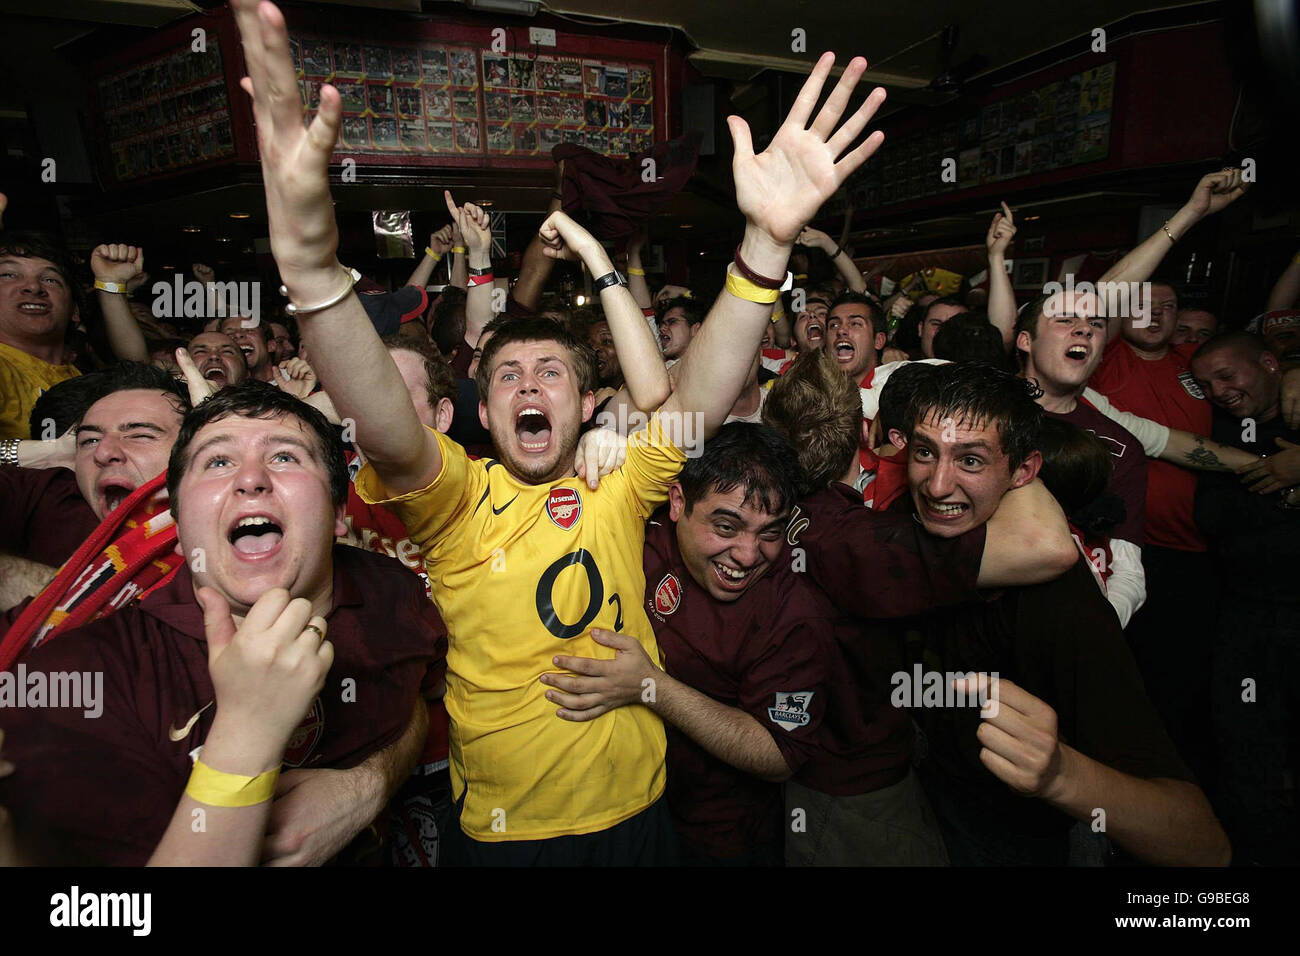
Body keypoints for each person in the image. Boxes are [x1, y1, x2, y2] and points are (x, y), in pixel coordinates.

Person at [230, 0, 887, 863]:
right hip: (508, 837)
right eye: (508, 375)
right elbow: (389, 430)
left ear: (587, 405)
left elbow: (701, 400)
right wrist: (314, 272)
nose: (530, 384)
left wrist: (765, 246)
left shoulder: (620, 486)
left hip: (643, 818)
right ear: (483, 407)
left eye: (553, 375)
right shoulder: (460, 501)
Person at [0, 385, 442, 865]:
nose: (251, 480)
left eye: (286, 458)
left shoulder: (392, 591)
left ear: (338, 512)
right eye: (217, 462)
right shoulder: (79, 680)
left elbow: (416, 690)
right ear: (177, 515)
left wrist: (369, 785)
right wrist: (246, 735)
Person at [890, 362, 1230, 866]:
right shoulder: (902, 524)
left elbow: (1202, 843)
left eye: (971, 460)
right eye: (925, 452)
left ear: (1024, 472)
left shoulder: (1055, 600)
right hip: (916, 807)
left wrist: (1060, 775)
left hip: (1012, 840)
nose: (938, 486)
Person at [1191, 332, 1300, 864]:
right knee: (1243, 743)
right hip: (1248, 613)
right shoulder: (1219, 430)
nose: (1219, 391)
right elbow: (1213, 517)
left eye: (1228, 376)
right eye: (1208, 383)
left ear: (1269, 363)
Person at [0, 364, 190, 611]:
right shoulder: (50, 496)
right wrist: (45, 452)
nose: (103, 452)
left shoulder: (227, 540)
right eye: (89, 440)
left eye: (140, 435)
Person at [0, 232, 82, 439]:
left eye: (50, 279)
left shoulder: (82, 378)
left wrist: (111, 285)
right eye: (8, 275)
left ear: (74, 310)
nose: (34, 287)